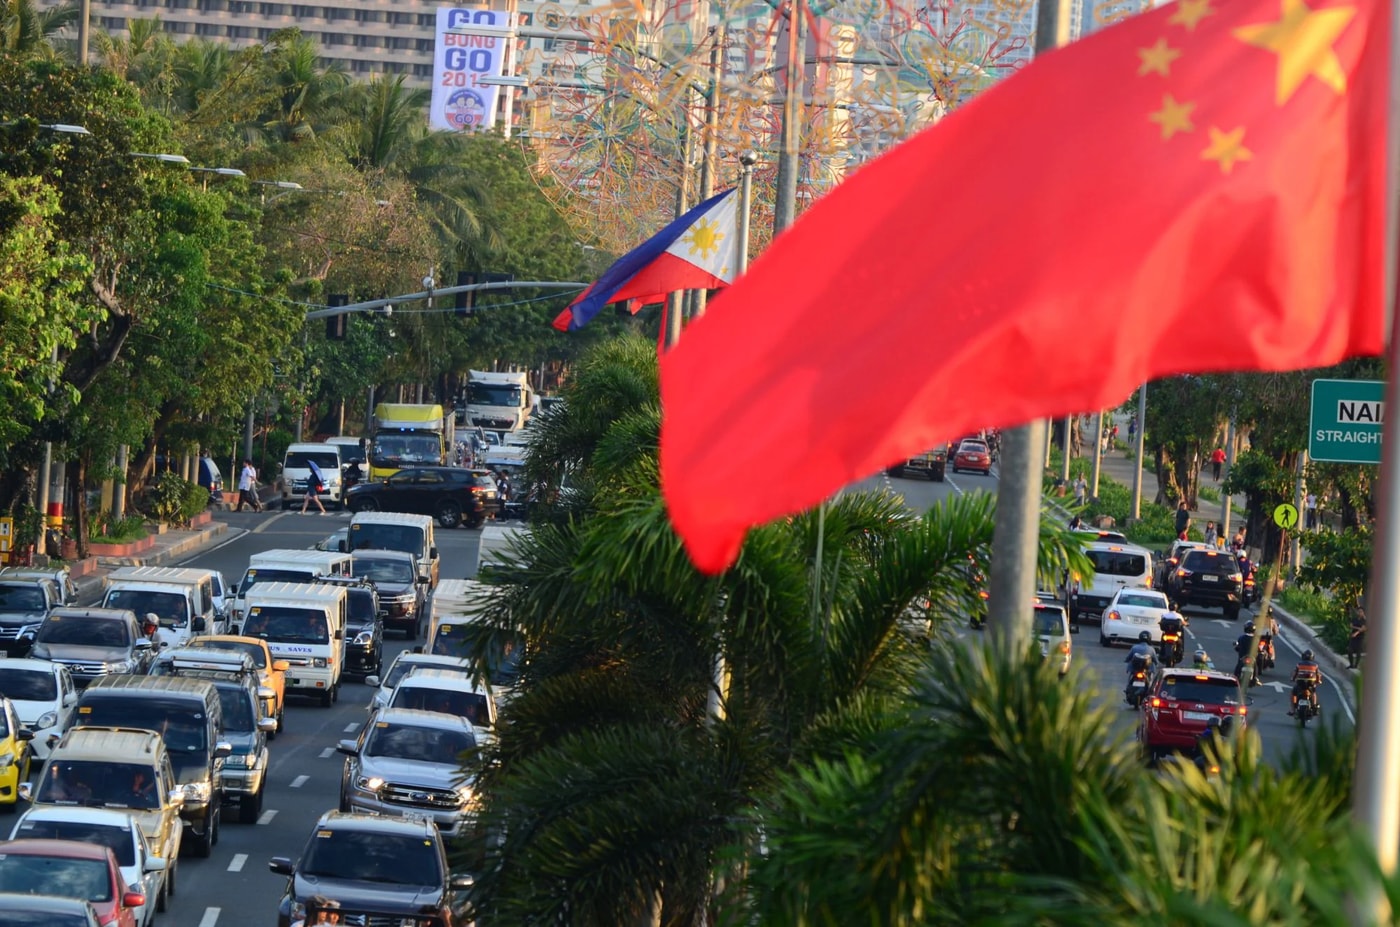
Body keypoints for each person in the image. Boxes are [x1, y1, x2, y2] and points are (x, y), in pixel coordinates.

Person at [1289, 649, 1323, 716]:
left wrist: (1292, 679)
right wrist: (1318, 681)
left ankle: (1293, 710)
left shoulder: (1299, 664)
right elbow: (1318, 675)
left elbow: (1295, 673)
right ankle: (1314, 706)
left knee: (1293, 693)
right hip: (1311, 683)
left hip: (1300, 683)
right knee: (1313, 692)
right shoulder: (1315, 665)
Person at [1233, 621, 1261, 687]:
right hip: (1252, 658)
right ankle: (1255, 678)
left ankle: (1234, 679)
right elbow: (1259, 649)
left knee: (1237, 669)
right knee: (1255, 667)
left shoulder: (1241, 638)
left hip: (1243, 657)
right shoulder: (1256, 639)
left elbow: (1237, 647)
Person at [1348, 604, 1367, 669]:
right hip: (1353, 637)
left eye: (1361, 612)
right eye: (1359, 611)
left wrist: (1356, 632)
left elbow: (1362, 629)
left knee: (1358, 652)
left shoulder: (1364, 620)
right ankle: (1351, 664)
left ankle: (1356, 665)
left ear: (1363, 612)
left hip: (1360, 638)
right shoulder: (1354, 619)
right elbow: (1351, 626)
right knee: (1350, 650)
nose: (1359, 613)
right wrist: (1357, 628)